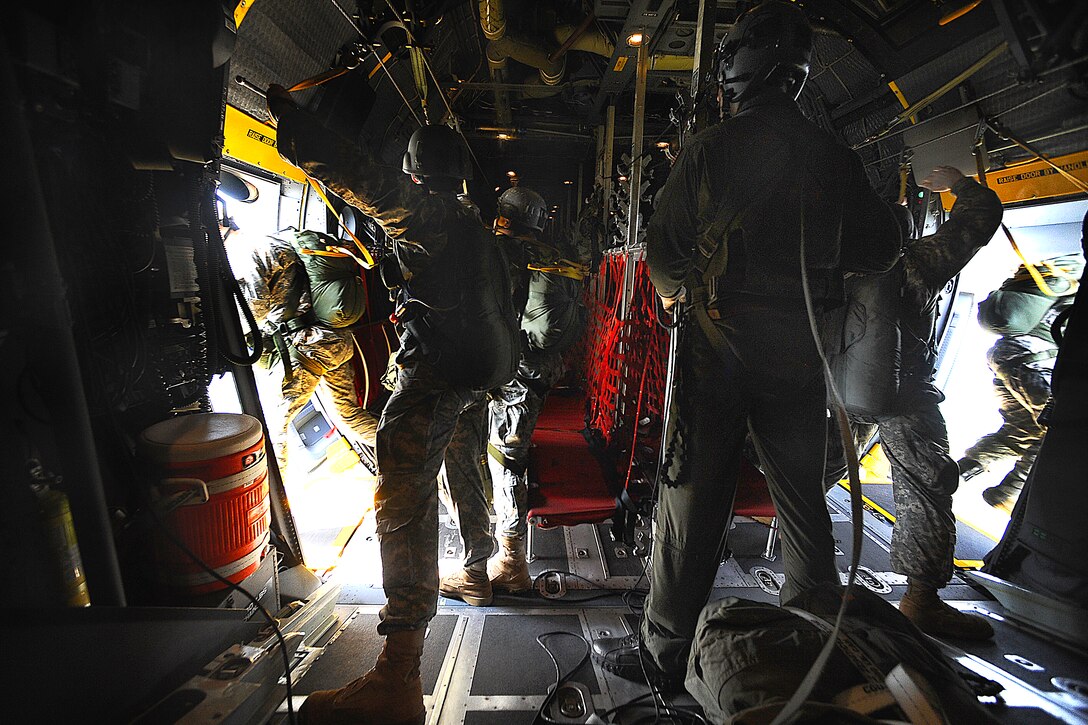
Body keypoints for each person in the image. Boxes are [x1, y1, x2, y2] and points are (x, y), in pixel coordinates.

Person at [591, 1, 902, 689]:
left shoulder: (708, 152)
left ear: (742, 69)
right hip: (799, 355)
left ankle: (666, 655)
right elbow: (881, 249)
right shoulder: (836, 156)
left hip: (715, 353)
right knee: (800, 499)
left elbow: (665, 259)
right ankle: (814, 641)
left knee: (692, 504)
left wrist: (689, 299)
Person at [268, 87, 519, 724]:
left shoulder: (428, 214)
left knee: (402, 501)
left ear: (414, 172)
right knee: (462, 468)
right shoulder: (473, 223)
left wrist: (295, 123)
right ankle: (477, 567)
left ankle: (397, 679)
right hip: (470, 377)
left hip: (434, 378)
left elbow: (361, 179)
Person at [829, 166, 1005, 640]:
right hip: (905, 396)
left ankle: (810, 576)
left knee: (808, 474)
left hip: (840, 392)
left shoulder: (827, 266)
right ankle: (922, 600)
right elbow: (980, 217)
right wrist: (958, 183)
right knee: (926, 487)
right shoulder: (915, 262)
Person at [438, 186, 587, 605]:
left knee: (462, 458)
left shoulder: (488, 252)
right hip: (531, 378)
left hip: (485, 371)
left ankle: (474, 571)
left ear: (500, 214)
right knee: (509, 462)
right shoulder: (550, 259)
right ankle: (513, 561)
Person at [217, 179, 379, 481]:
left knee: (271, 425)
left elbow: (256, 310)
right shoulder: (274, 238)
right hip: (333, 342)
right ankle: (408, 452)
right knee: (350, 418)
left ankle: (274, 508)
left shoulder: (246, 254)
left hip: (307, 348)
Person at [958, 254, 1083, 512]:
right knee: (1059, 426)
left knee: (1020, 432)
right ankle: (1009, 495)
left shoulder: (1069, 274)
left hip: (1010, 355)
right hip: (1032, 360)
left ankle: (954, 474)